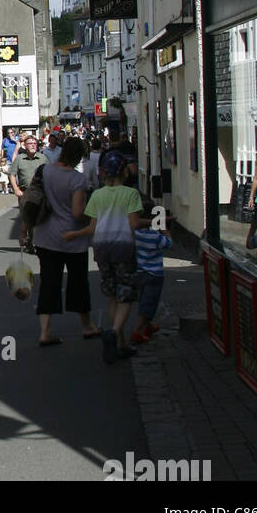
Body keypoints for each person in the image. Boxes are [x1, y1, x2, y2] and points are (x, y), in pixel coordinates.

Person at [64, 150, 143, 363]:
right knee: (126, 295)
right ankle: (114, 332)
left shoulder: (97, 195)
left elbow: (92, 228)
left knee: (112, 295)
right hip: (123, 247)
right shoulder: (131, 194)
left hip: (102, 249)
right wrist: (154, 223)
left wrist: (74, 234)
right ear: (124, 171)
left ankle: (121, 344)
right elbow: (134, 224)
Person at [32, 136, 99, 346]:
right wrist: (92, 216)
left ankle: (45, 331)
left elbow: (31, 200)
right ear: (78, 156)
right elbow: (78, 212)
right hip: (73, 239)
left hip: (45, 237)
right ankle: (87, 326)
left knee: (48, 283)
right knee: (78, 283)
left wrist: (25, 230)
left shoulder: (44, 171)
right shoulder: (77, 180)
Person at [129, 208, 173, 344]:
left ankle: (148, 327)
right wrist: (164, 229)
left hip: (140, 273)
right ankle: (137, 331)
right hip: (155, 274)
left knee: (144, 300)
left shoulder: (134, 235)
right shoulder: (155, 236)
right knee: (149, 303)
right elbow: (169, 244)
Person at [9, 133, 45, 252]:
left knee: (39, 217)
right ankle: (29, 241)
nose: (33, 145)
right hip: (24, 193)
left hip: (40, 193)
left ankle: (36, 242)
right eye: (30, 144)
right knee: (27, 218)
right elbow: (12, 174)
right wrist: (16, 189)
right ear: (24, 146)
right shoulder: (20, 159)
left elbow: (50, 173)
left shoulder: (42, 158)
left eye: (35, 144)